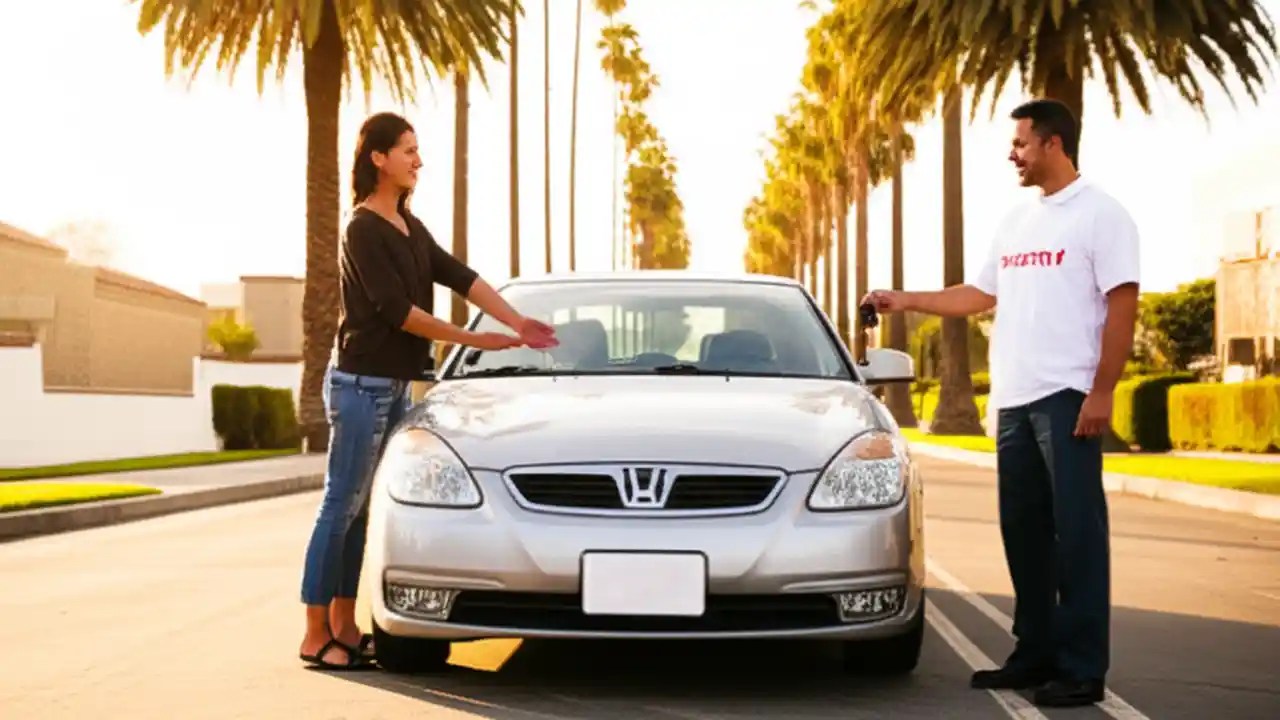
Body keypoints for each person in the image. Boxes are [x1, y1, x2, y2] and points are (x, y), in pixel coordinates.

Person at [862, 98, 1138, 708]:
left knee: (1078, 537)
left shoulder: (1101, 215)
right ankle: (1034, 651)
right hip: (1014, 404)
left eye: (1020, 143)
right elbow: (978, 294)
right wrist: (902, 299)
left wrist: (1101, 390)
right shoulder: (1017, 220)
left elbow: (1123, 307)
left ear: (1054, 145)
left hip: (1067, 398)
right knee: (1025, 534)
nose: (1012, 154)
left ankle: (1082, 667)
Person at [298, 111, 558, 670]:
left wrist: (518, 324)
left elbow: (460, 276)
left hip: (392, 386)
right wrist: (472, 337)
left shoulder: (410, 228)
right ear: (378, 158)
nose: (418, 160)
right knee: (339, 505)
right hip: (360, 384)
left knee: (362, 512)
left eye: (418, 150)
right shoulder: (361, 228)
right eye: (408, 150)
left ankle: (345, 626)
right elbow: (398, 313)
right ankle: (314, 632)